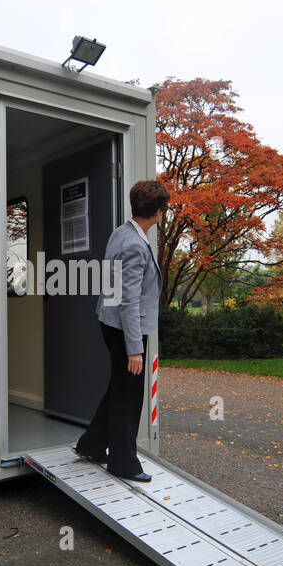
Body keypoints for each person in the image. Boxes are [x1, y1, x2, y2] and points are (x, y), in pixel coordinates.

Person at [74, 179, 169, 483]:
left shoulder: (122, 233)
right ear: (156, 211)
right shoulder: (133, 245)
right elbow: (129, 301)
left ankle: (90, 445)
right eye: (163, 209)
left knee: (119, 387)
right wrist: (135, 350)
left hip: (110, 321)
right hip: (126, 328)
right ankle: (123, 463)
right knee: (128, 397)